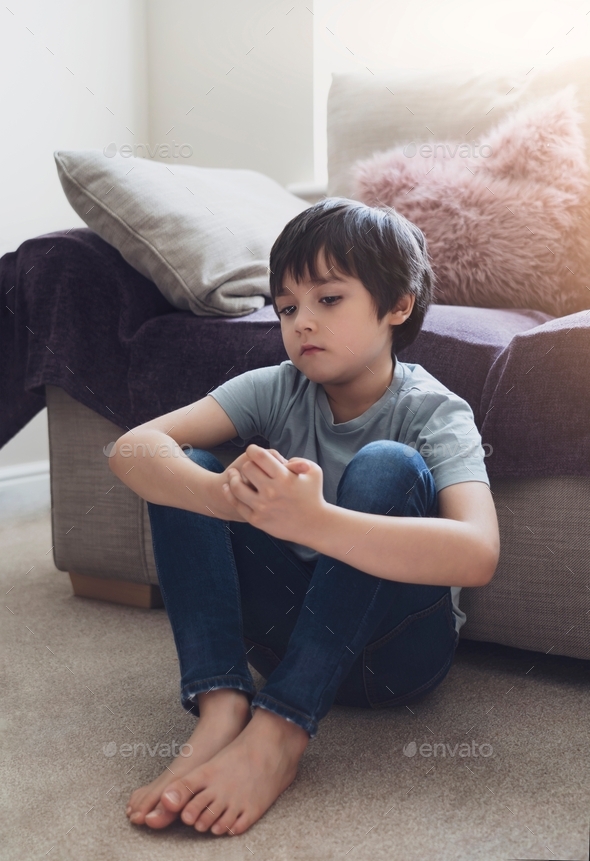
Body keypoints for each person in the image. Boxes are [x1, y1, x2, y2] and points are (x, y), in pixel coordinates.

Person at [110, 198, 500, 838]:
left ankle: (280, 732)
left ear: (397, 305)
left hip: (394, 658)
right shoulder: (277, 386)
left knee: (389, 466)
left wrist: (314, 521)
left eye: (329, 299)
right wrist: (219, 496)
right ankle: (222, 706)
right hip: (281, 643)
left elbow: (478, 553)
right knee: (189, 464)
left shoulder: (434, 410)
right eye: (288, 308)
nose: (302, 324)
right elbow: (134, 448)